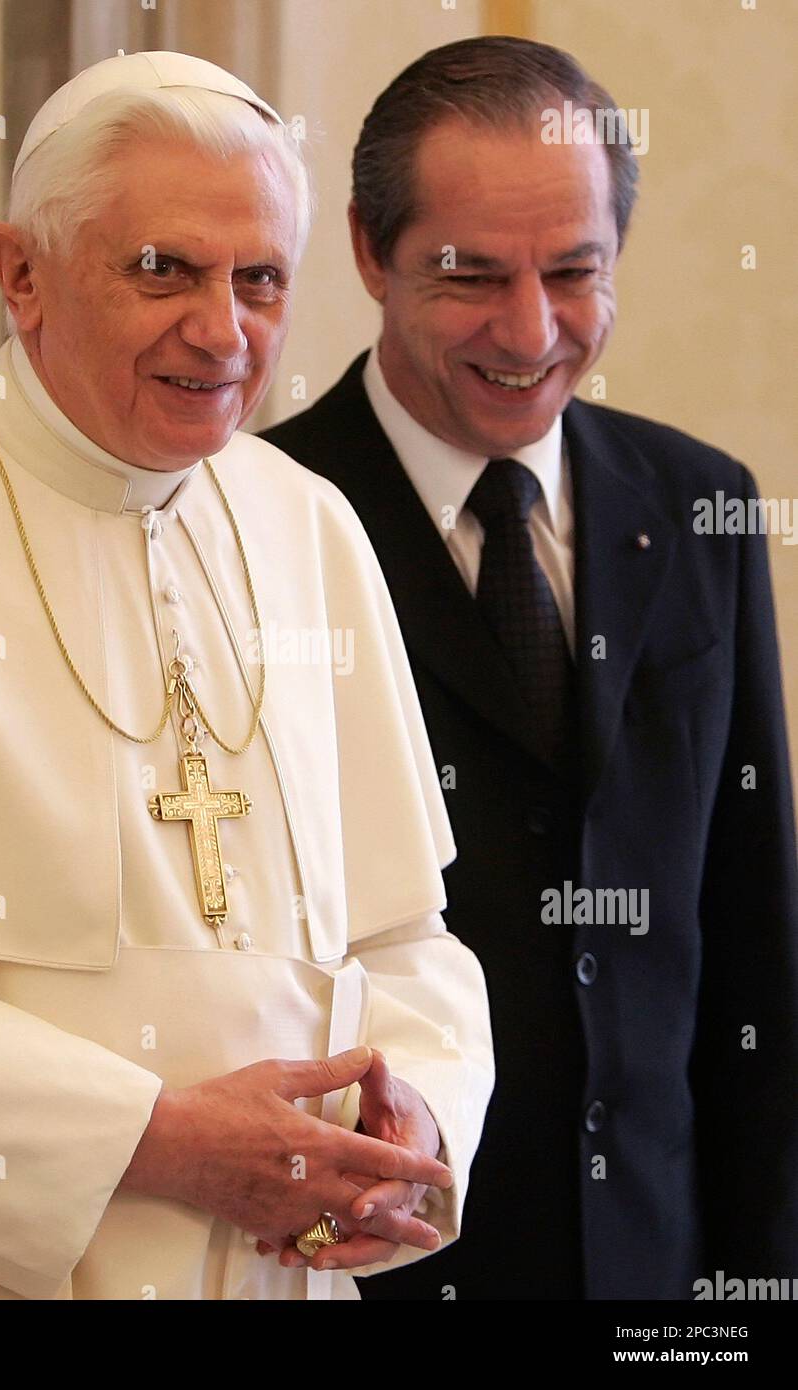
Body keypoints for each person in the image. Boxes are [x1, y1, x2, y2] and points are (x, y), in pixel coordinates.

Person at [0, 51, 494, 1302]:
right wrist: (153, 1141)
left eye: (260, 280)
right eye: (162, 269)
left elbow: (407, 937)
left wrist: (416, 1125)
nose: (222, 332)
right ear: (22, 274)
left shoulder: (313, 526)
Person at [262, 35, 798, 1299]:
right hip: (375, 1263)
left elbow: (750, 930)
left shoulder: (699, 500)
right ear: (366, 251)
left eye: (573, 272)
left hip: (655, 1269)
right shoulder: (260, 519)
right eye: (471, 276)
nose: (530, 330)